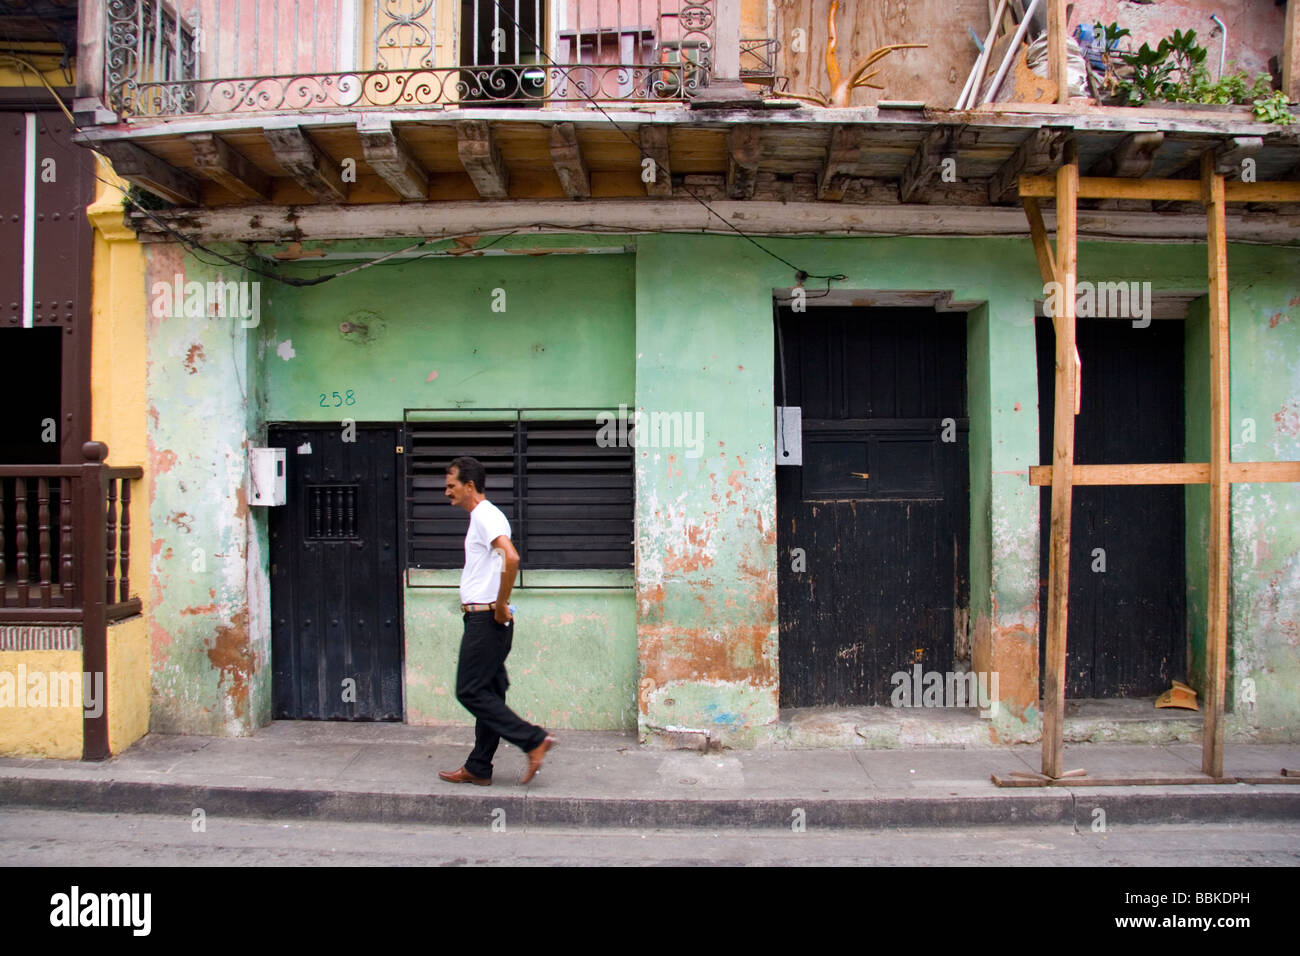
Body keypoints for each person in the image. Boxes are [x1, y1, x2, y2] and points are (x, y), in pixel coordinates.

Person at [438, 455, 555, 786]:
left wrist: (501, 604)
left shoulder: (485, 515)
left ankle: (533, 740)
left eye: (451, 485)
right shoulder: (483, 517)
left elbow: (512, 556)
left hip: (486, 621)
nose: (447, 492)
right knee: (489, 692)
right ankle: (478, 767)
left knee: (469, 691)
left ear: (469, 486)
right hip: (488, 621)